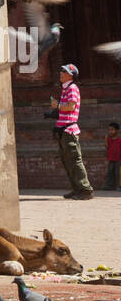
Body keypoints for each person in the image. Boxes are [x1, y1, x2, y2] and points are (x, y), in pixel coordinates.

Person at [46, 63, 93, 200]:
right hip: (63, 131)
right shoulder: (65, 89)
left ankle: (85, 190)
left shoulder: (72, 88)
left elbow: (71, 107)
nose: (60, 73)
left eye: (63, 71)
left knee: (74, 161)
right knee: (67, 161)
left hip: (69, 131)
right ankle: (76, 189)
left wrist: (58, 106)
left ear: (70, 75)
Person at [102, 121, 121, 191]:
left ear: (117, 131)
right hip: (110, 158)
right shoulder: (108, 139)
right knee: (110, 173)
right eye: (109, 130)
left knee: (117, 173)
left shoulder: (119, 139)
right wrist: (105, 139)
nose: (110, 131)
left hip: (118, 159)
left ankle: (118, 186)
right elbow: (107, 147)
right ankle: (109, 186)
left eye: (112, 130)